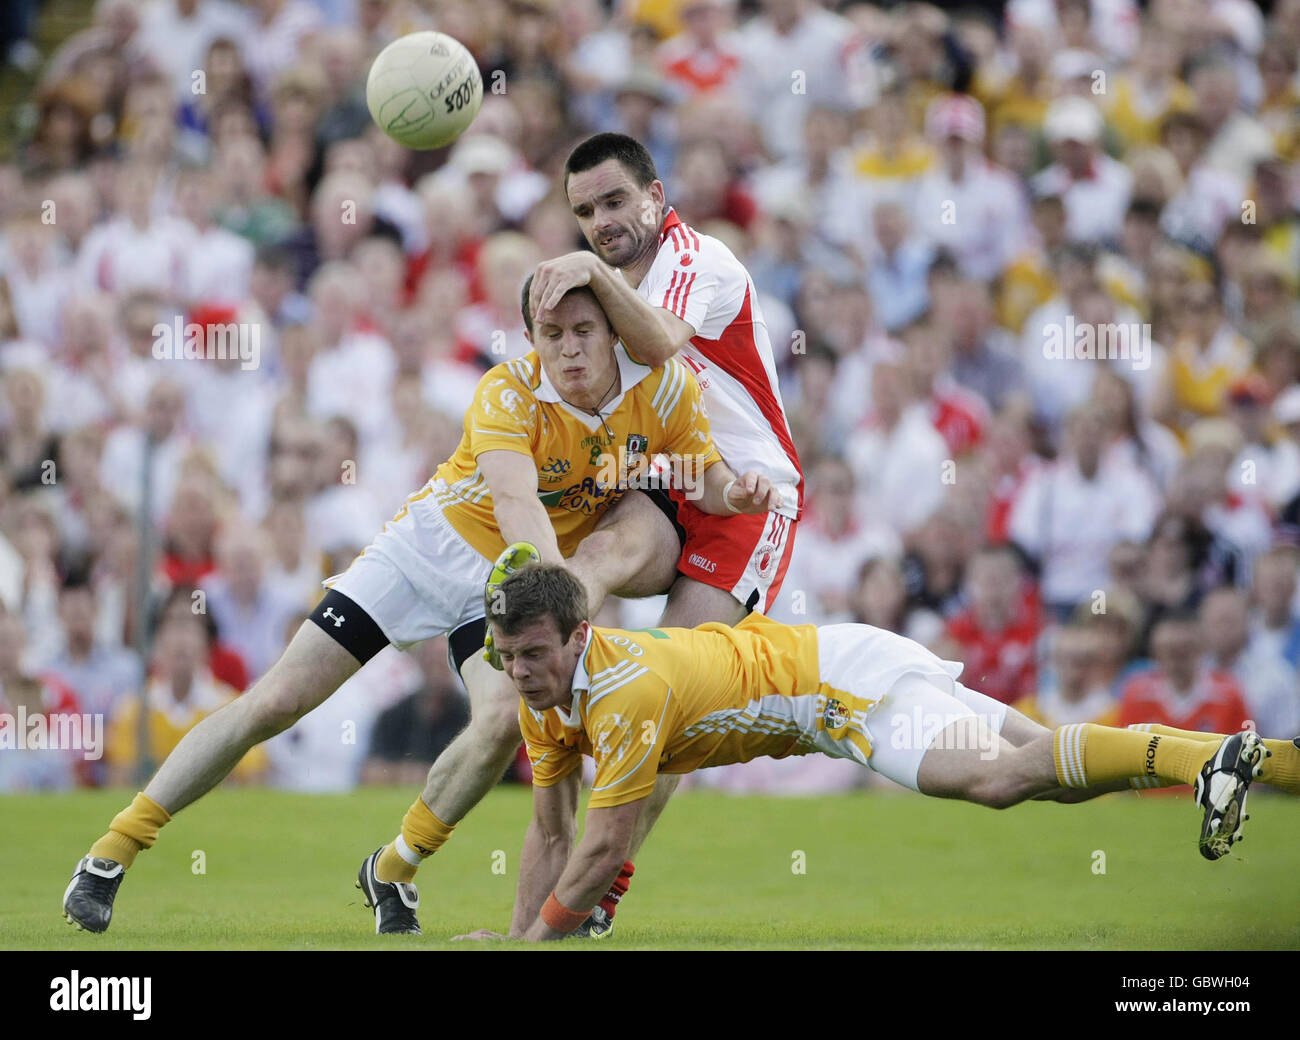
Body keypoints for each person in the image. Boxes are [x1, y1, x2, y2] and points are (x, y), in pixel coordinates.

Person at [62, 281, 778, 936]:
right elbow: (514, 501)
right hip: (428, 552)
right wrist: (559, 589)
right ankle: (111, 852)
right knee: (276, 701)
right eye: (549, 333)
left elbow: (702, 476)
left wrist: (732, 496)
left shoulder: (665, 391)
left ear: (613, 332)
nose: (566, 348)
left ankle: (393, 868)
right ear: (531, 339)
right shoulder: (507, 392)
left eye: (582, 329)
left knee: (501, 720)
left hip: (504, 581)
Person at [452, 563, 1297, 941]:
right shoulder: (548, 692)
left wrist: (535, 947)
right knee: (1056, 775)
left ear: (579, 636)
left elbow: (601, 848)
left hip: (842, 691)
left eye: (535, 653)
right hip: (847, 663)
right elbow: (551, 833)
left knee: (1001, 783)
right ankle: (1233, 757)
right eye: (509, 656)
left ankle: (1203, 761)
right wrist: (518, 929)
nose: (519, 672)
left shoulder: (621, 690)